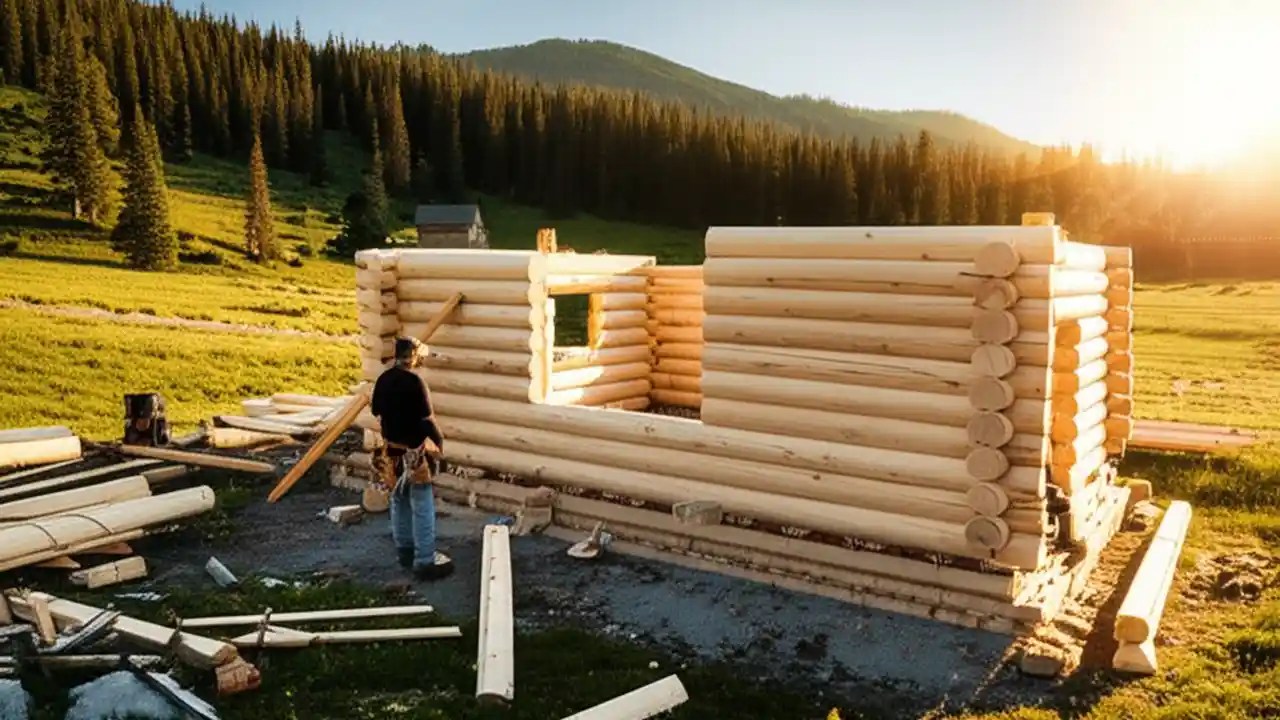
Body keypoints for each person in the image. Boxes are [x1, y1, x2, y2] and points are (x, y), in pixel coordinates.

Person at [370, 336, 454, 580]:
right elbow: (426, 420)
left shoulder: (384, 379)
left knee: (398, 499)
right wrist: (439, 443)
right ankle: (425, 560)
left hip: (391, 449)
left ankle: (404, 551)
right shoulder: (416, 381)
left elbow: (376, 410)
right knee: (422, 505)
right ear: (413, 355)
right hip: (413, 452)